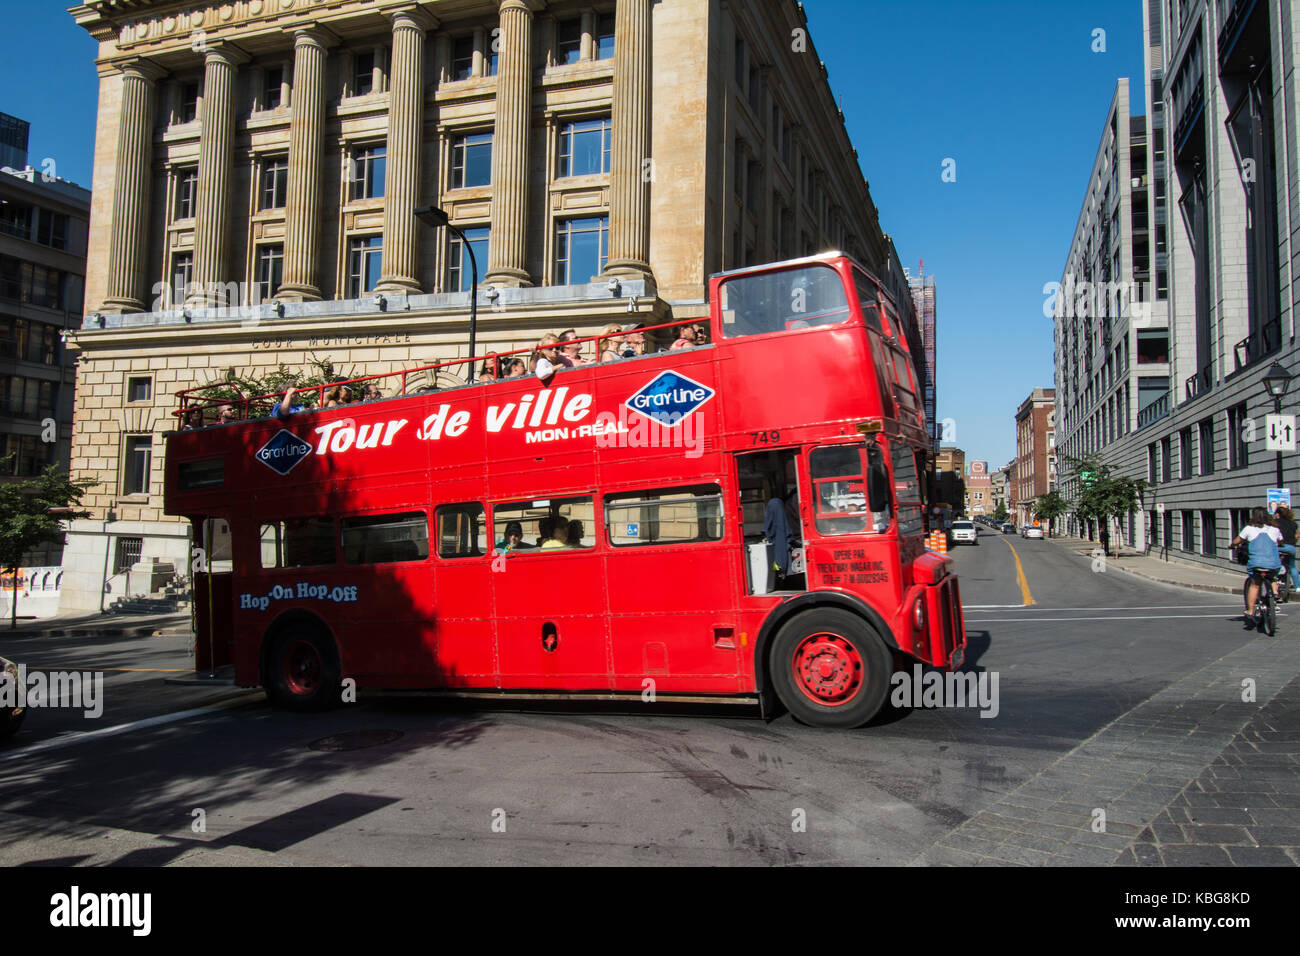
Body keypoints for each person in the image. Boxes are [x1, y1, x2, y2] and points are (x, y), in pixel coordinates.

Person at [1230, 507, 1283, 627]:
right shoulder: (1274, 529)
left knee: (1255, 584)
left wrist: (1232, 545)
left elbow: (1237, 541)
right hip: (1273, 563)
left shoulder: (1249, 529)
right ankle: (1274, 596)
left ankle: (1251, 610)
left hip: (1256, 564)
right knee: (1272, 576)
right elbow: (1281, 542)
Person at [1275, 505, 1299, 596]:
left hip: (1280, 546)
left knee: (1275, 561)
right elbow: (1296, 536)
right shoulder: (1293, 523)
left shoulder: (1275, 523)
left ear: (1277, 514)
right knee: (1292, 566)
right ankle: (1298, 587)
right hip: (1291, 547)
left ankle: (1279, 571)